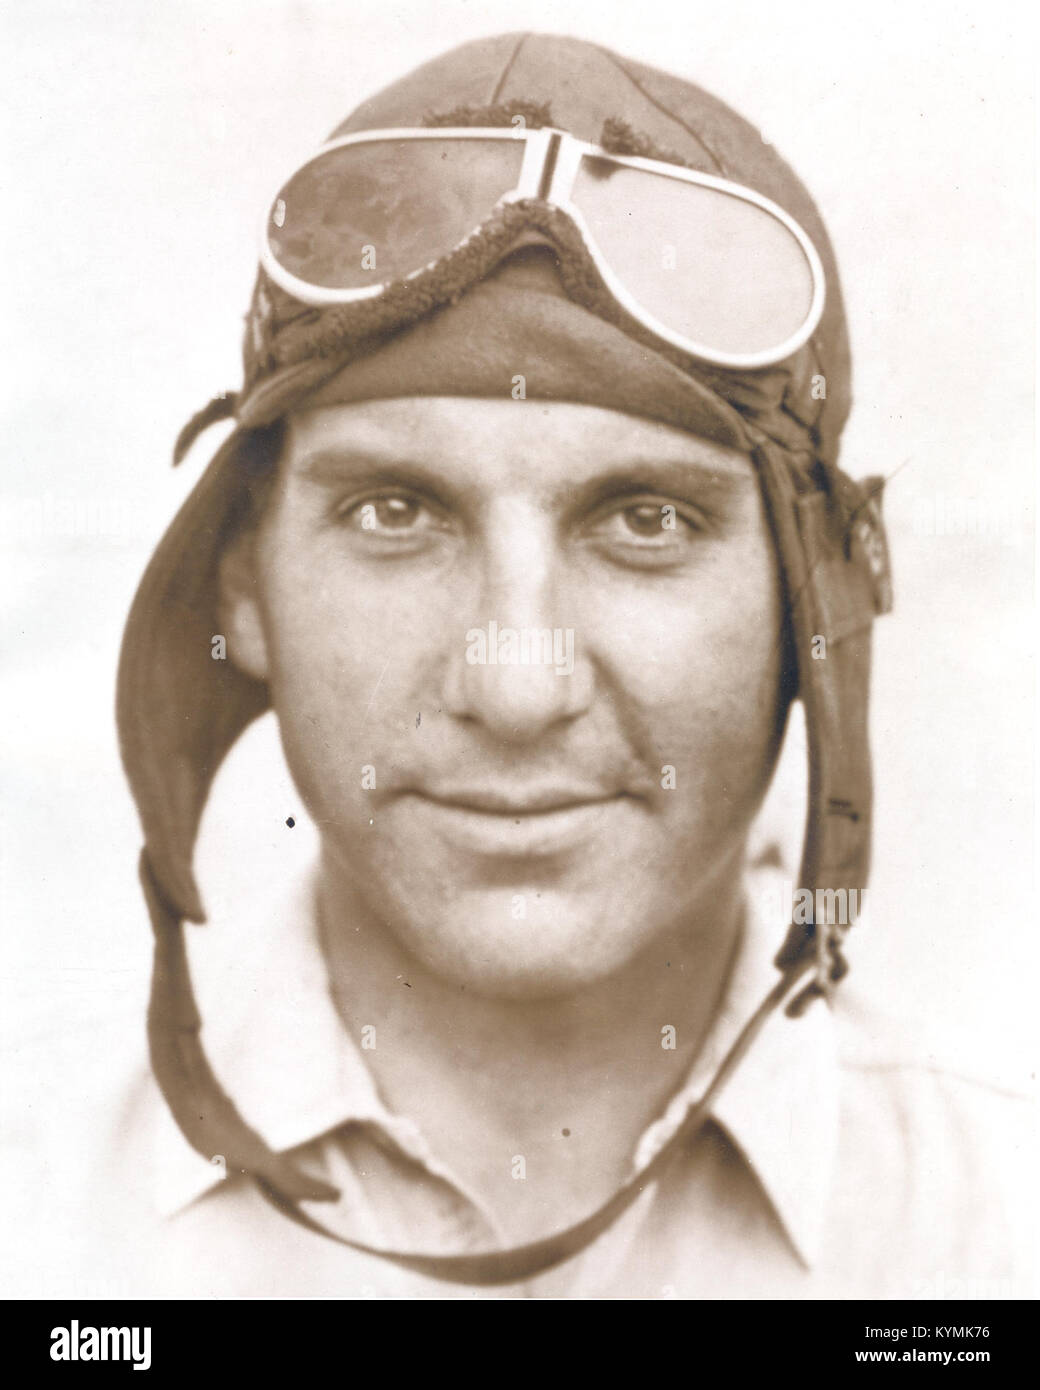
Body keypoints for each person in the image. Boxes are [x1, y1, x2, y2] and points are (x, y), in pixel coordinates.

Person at [102, 31, 1030, 1298]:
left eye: (644, 521)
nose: (517, 687)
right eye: (395, 511)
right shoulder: (35, 1201)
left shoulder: (989, 1237)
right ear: (243, 582)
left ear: (809, 613)